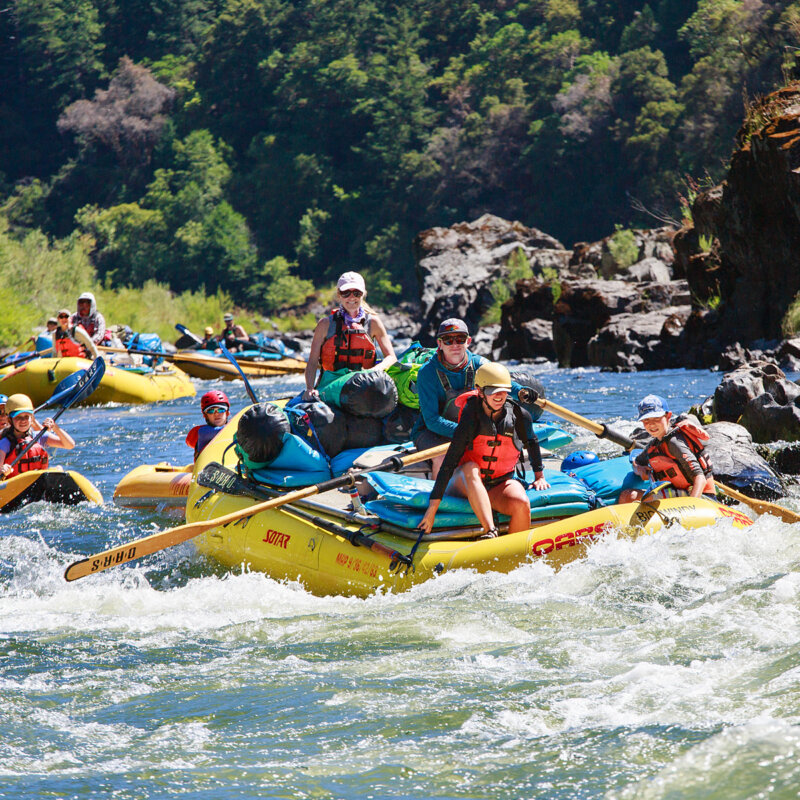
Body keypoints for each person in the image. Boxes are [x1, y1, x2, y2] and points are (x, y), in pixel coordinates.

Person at [417, 362, 550, 539]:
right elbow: (449, 462)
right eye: (492, 391)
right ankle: (490, 531)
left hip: (498, 484)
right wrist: (432, 510)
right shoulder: (471, 416)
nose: (499, 397)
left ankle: (518, 557)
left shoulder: (520, 416)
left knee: (521, 503)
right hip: (464, 483)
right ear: (480, 391)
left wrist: (539, 476)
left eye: (503, 391)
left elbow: (532, 442)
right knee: (471, 468)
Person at [303, 271, 397, 400]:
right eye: (346, 293)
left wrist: (373, 371)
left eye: (356, 293)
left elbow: (391, 357)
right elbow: (313, 362)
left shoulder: (373, 322)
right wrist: (309, 388)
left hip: (364, 385)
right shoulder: (325, 324)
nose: (351, 297)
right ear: (339, 295)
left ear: (363, 294)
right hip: (331, 384)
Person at [619, 394, 716, 503]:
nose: (651, 424)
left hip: (700, 496)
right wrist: (640, 470)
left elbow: (700, 479)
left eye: (656, 418)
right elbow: (637, 462)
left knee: (629, 496)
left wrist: (692, 506)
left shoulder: (675, 443)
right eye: (646, 420)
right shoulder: (654, 445)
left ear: (668, 416)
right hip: (679, 491)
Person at [0, 394, 75, 478]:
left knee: (58, 469)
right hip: (15, 485)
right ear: (10, 420)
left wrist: (55, 428)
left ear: (31, 418)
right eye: (18, 417)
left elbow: (70, 445)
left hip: (38, 482)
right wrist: (3, 470)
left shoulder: (39, 436)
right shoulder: (5, 443)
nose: (23, 421)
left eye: (26, 417)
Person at [186, 390, 231, 460]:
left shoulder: (232, 428)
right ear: (205, 416)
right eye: (211, 411)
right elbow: (223, 431)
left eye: (221, 410)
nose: (216, 414)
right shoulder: (203, 432)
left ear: (227, 413)